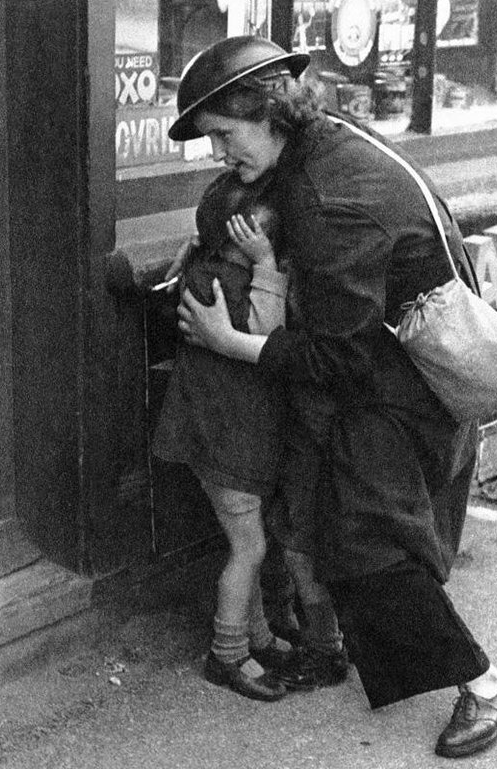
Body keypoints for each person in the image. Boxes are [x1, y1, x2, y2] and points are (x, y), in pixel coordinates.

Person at [164, 35, 497, 757]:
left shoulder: (326, 197)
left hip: (390, 388)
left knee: (369, 547)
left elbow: (340, 354)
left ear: (266, 112)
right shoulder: (327, 144)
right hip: (398, 378)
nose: (220, 155)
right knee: (365, 535)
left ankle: (488, 688)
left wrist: (233, 344)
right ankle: (356, 651)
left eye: (225, 136)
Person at [150, 171, 298, 702]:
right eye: (264, 236)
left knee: (251, 543)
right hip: (222, 440)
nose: (274, 243)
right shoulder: (229, 287)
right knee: (249, 546)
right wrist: (265, 267)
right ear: (241, 240)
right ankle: (227, 653)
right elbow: (266, 334)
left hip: (218, 434)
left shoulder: (203, 270)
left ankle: (256, 636)